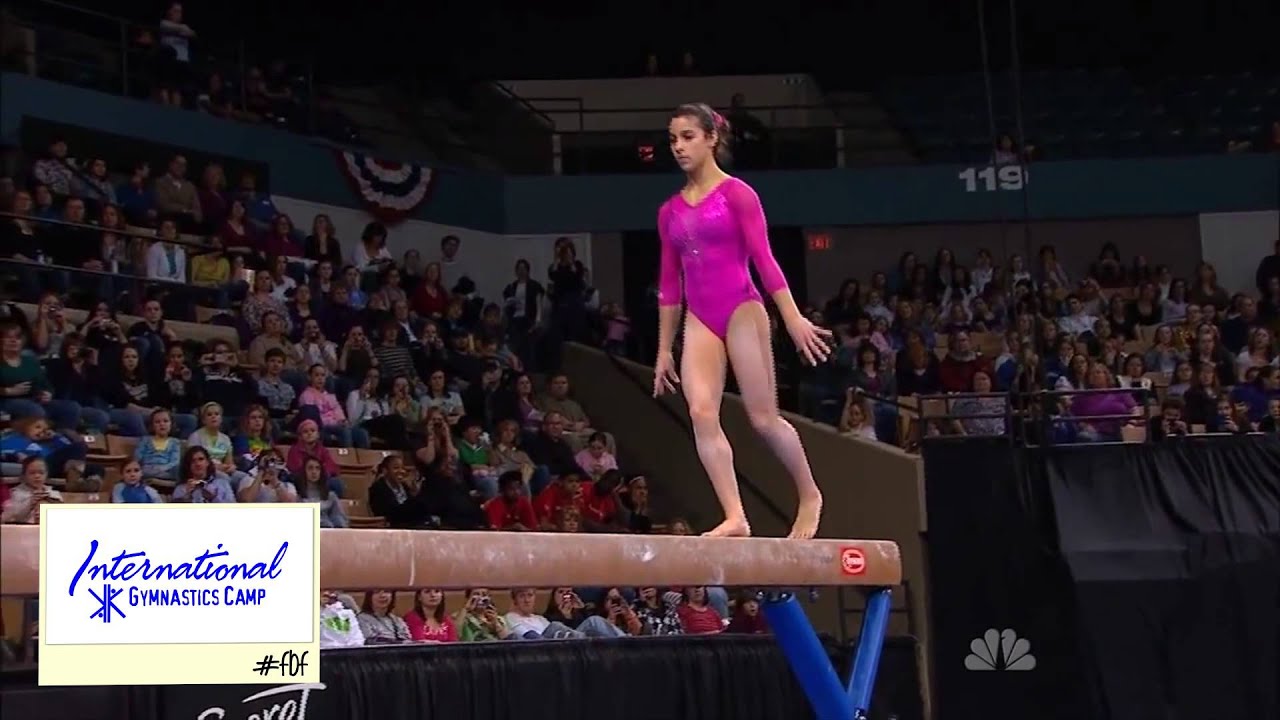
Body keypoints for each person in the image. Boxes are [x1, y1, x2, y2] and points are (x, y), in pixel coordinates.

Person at [652, 102, 831, 539]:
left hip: (741, 309)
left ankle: (809, 494)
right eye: (673, 139)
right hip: (701, 318)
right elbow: (668, 286)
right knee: (700, 411)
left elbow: (765, 260)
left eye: (688, 136)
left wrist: (792, 318)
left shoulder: (738, 195)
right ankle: (735, 517)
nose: (678, 146)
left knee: (763, 419)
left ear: (712, 138)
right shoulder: (669, 212)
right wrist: (662, 349)